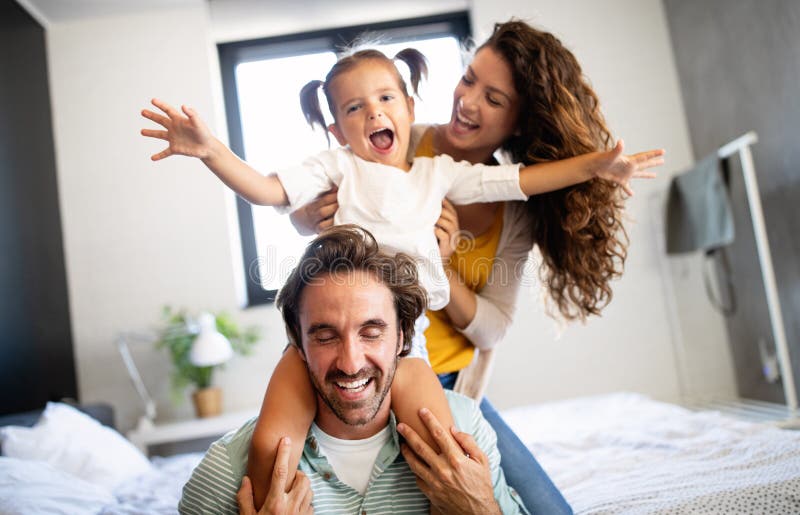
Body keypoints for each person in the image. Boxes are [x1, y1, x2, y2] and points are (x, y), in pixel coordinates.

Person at [141, 45, 662, 510]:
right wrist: (211, 150)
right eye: (353, 108)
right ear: (336, 130)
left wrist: (595, 166)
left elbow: (519, 181)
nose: (373, 112)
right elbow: (264, 190)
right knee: (270, 445)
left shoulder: (439, 176)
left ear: (410, 111)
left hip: (409, 349)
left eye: (386, 98)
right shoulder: (335, 167)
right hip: (320, 343)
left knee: (442, 447)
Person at [288, 19, 655, 514]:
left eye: (494, 98)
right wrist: (304, 218)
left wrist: (440, 267)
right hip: (370, 371)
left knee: (547, 509)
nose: (467, 101)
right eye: (468, 79)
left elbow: (492, 330)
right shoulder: (394, 140)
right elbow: (312, 207)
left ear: (521, 121)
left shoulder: (514, 208)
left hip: (451, 382)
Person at [179, 225, 528, 515]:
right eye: (326, 336)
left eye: (371, 333)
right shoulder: (227, 471)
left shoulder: (464, 433)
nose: (351, 362)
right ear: (298, 346)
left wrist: (481, 508)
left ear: (402, 338)